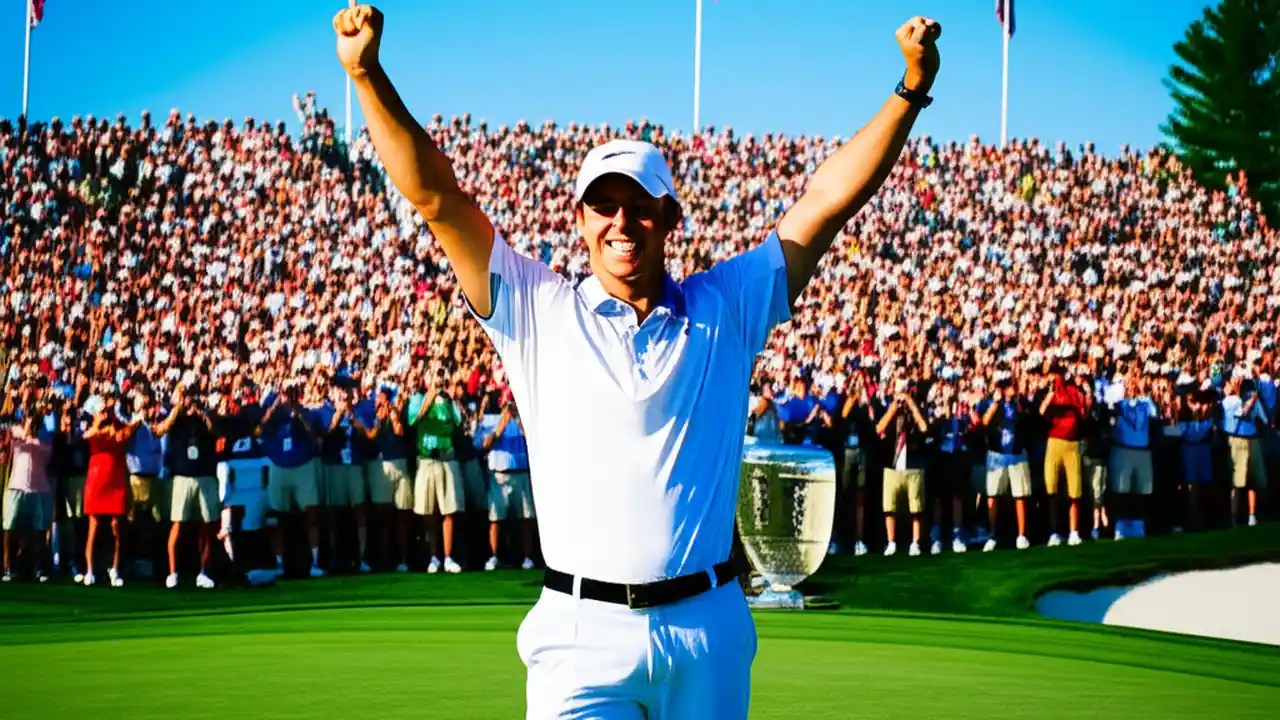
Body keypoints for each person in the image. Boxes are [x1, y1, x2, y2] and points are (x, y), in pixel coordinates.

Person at [336, 5, 941, 716]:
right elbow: (437, 199)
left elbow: (826, 201)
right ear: (582, 220)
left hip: (706, 631)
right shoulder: (538, 310)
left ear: (670, 217)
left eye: (640, 204)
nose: (622, 222)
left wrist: (910, 87)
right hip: (580, 635)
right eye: (604, 205)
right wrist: (366, 74)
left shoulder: (726, 306)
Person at [155, 386, 222, 589]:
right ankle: (173, 573)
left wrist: (200, 412)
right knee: (178, 524)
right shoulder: (175, 417)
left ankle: (204, 573)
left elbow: (216, 432)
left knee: (208, 525)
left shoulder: (205, 415)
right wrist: (178, 407)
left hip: (205, 476)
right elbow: (160, 430)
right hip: (182, 477)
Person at [259, 381, 327, 578]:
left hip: (304, 465)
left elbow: (316, 437)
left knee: (311, 515)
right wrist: (276, 406)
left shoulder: (308, 413)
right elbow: (261, 429)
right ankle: (279, 563)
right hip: (278, 465)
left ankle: (314, 562)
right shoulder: (275, 415)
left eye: (293, 393)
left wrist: (299, 415)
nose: (289, 397)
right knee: (277, 518)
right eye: (287, 393)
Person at [81, 391, 141, 587]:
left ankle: (113, 569)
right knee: (94, 527)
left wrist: (115, 414)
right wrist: (98, 419)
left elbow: (130, 430)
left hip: (115, 481)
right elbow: (87, 435)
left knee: (116, 528)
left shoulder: (117, 428)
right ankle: (90, 570)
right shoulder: (95, 429)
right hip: (96, 482)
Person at [410, 367, 465, 574]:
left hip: (447, 459)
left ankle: (448, 558)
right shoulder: (418, 398)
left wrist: (449, 398)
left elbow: (459, 423)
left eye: (442, 375)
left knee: (448, 511)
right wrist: (431, 396)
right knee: (429, 512)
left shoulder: (449, 401)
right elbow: (415, 419)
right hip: (426, 460)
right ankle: (433, 556)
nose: (439, 379)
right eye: (435, 375)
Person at [355, 384, 414, 572]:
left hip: (400, 463)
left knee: (402, 515)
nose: (380, 401)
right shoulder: (374, 417)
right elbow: (370, 435)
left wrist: (394, 414)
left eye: (383, 398)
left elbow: (400, 432)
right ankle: (385, 559)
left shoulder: (398, 412)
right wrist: (380, 420)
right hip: (381, 465)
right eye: (378, 398)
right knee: (383, 516)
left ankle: (403, 559)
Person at [481, 397, 536, 570]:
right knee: (495, 518)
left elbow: (533, 439)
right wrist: (499, 428)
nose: (509, 405)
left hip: (521, 471)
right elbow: (484, 444)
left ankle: (527, 557)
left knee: (526, 518)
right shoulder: (491, 418)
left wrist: (518, 419)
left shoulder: (526, 417)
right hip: (499, 474)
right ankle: (494, 556)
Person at [876, 377, 930, 556]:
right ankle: (891, 542)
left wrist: (912, 406)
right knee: (889, 506)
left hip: (913, 464)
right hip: (892, 464)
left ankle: (915, 542)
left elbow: (923, 428)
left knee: (916, 507)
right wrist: (894, 408)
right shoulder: (889, 410)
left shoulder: (918, 408)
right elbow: (879, 428)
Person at [978, 377, 1032, 550]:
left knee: (1020, 496)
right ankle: (992, 534)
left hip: (1017, 454)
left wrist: (1017, 400)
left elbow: (1026, 418)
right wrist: (995, 402)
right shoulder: (991, 403)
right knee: (992, 496)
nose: (1010, 390)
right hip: (997, 455)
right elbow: (984, 422)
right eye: (1007, 387)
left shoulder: (1020, 403)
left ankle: (1021, 535)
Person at [3, 404, 54, 583]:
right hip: (16, 486)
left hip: (39, 488)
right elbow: (16, 443)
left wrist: (32, 433)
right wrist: (26, 430)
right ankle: (8, 568)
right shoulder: (17, 431)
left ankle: (39, 567)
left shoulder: (45, 436)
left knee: (39, 530)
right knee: (10, 527)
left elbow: (42, 449)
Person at [1040, 364, 1089, 546]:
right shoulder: (1049, 393)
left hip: (1072, 443)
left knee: (1074, 491)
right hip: (1054, 441)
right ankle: (1054, 531)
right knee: (1051, 489)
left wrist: (1085, 395)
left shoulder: (1072, 392)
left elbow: (1083, 414)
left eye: (1056, 375)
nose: (1054, 378)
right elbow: (1041, 411)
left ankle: (1073, 531)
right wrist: (1051, 393)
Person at [1222, 376, 1269, 526]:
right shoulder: (1229, 400)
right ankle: (1234, 518)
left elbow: (1264, 419)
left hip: (1252, 439)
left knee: (1253, 480)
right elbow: (1242, 412)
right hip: (1237, 439)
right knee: (1237, 481)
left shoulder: (1252, 398)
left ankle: (1252, 515)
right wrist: (1252, 400)